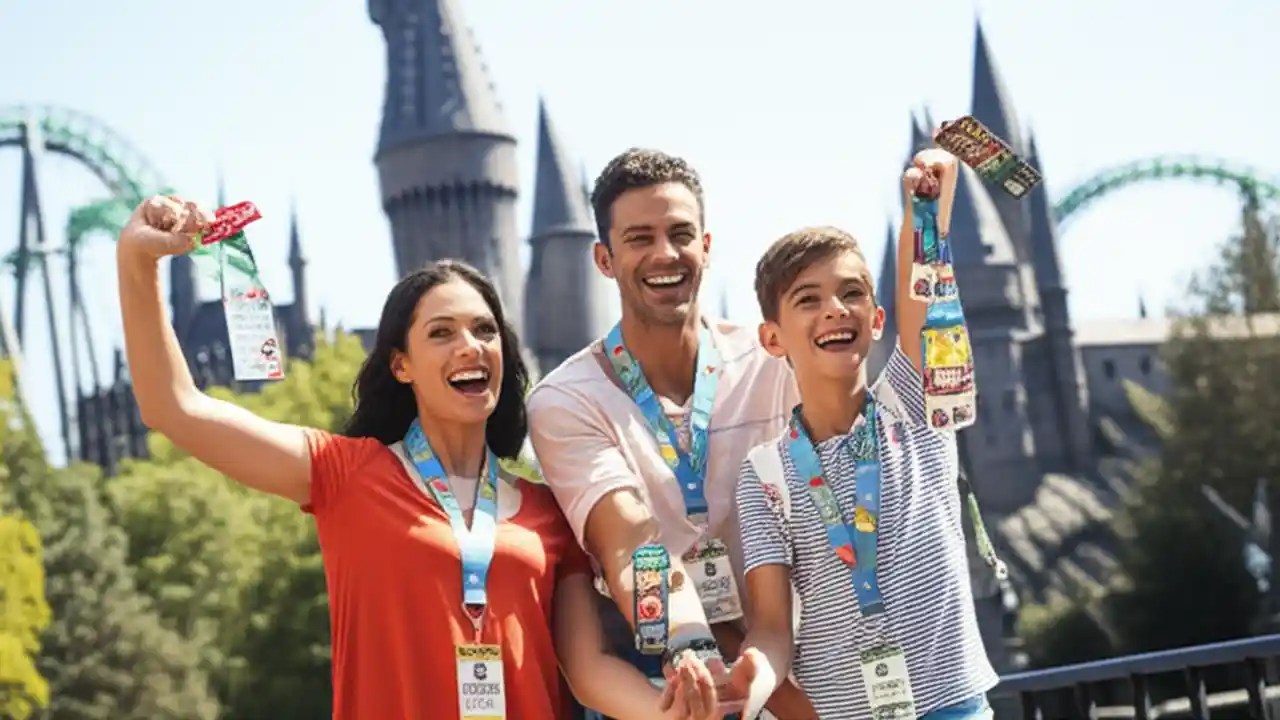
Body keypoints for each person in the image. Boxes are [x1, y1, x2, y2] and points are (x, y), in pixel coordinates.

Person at [114, 195, 717, 720]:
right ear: (400, 365)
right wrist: (137, 262)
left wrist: (685, 710)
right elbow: (174, 409)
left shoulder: (547, 511)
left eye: (485, 331)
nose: (470, 347)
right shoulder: (342, 474)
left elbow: (588, 670)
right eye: (441, 333)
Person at [526, 149, 816, 719]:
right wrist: (694, 650)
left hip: (815, 674)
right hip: (678, 694)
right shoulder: (566, 401)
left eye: (680, 233)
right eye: (639, 238)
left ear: (705, 246)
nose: (664, 253)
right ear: (605, 260)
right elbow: (630, 542)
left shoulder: (774, 359)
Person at [725, 151, 999, 719]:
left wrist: (925, 202)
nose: (834, 309)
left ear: (877, 321)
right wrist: (752, 677)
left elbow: (920, 289)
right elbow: (773, 631)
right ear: (772, 338)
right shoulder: (765, 474)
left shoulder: (911, 405)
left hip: (956, 707)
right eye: (808, 299)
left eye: (852, 294)